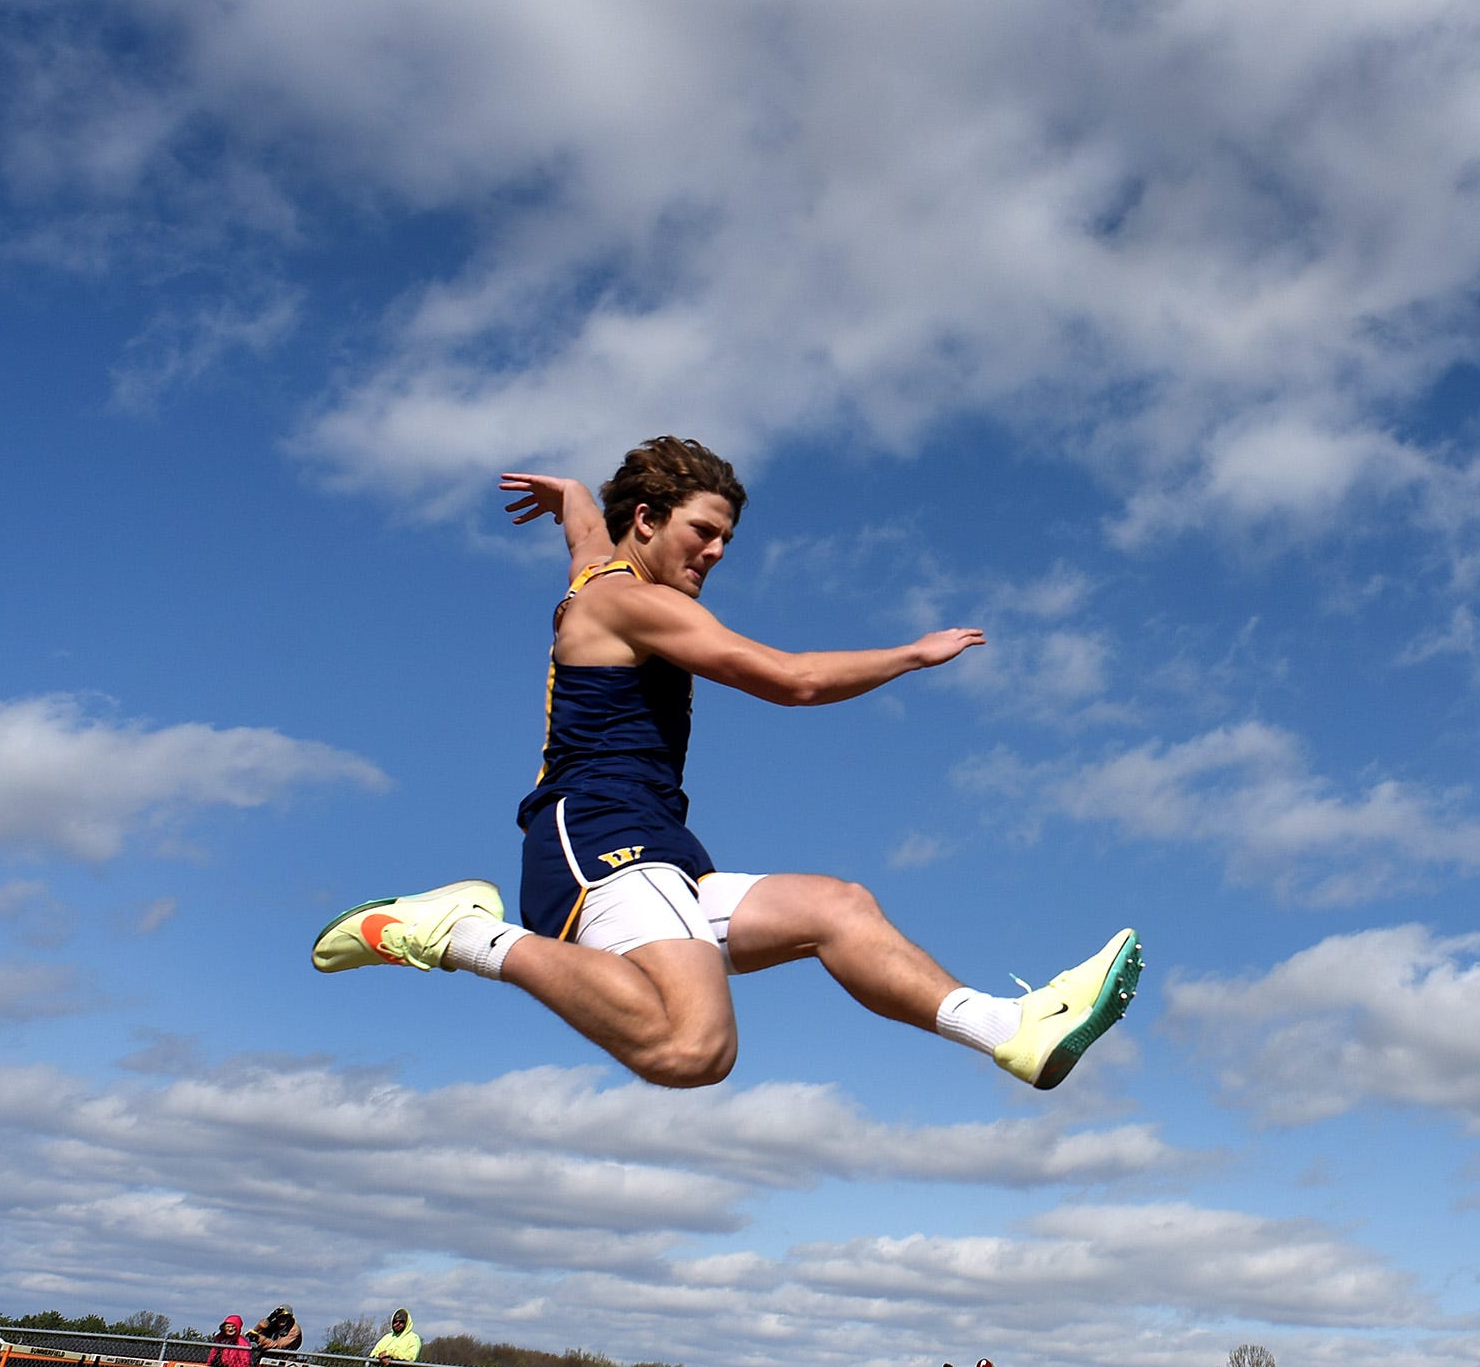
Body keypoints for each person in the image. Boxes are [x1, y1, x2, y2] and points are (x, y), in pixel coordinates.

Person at [311, 447, 1142, 1102]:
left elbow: (586, 538)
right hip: (597, 832)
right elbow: (793, 679)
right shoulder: (631, 603)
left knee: (837, 908)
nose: (714, 552)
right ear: (647, 518)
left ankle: (1008, 1027)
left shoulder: (599, 576)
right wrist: (909, 655)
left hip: (658, 843)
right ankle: (459, 932)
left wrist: (571, 495)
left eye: (726, 541)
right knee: (693, 1047)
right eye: (702, 532)